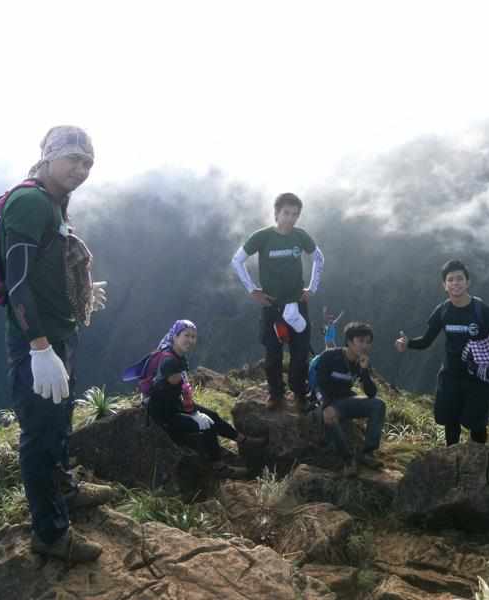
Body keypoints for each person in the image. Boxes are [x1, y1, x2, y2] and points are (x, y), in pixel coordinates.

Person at [1, 126, 113, 564]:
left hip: (59, 335)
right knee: (40, 435)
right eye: (72, 159)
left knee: (60, 422)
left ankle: (64, 488)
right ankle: (49, 532)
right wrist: (39, 348)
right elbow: (18, 282)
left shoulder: (53, 201)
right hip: (37, 344)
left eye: (88, 162)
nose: (81, 169)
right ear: (48, 157)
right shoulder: (29, 202)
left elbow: (49, 265)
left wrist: (80, 291)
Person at [395, 259, 489, 446]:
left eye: (459, 279)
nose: (455, 283)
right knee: (450, 421)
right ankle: (453, 460)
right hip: (450, 376)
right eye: (450, 280)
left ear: (468, 282)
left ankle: (479, 463)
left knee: (477, 425)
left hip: (477, 379)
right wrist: (407, 344)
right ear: (444, 285)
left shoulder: (482, 310)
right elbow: (425, 341)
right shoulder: (442, 311)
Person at [231, 193, 325, 411]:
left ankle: (300, 394)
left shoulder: (300, 236)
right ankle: (276, 394)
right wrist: (252, 291)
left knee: (300, 353)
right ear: (276, 213)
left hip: (297, 304)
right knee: (273, 353)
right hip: (272, 305)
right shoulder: (262, 237)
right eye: (286, 213)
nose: (290, 218)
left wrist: (312, 288)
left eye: (295, 214)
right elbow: (237, 261)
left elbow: (318, 258)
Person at [141, 320, 266, 473]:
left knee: (212, 415)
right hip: (163, 414)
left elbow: (176, 392)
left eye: (193, 337)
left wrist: (192, 411)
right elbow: (172, 393)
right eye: (186, 335)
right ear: (175, 336)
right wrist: (194, 414)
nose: (190, 340)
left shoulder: (175, 355)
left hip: (173, 405)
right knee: (206, 424)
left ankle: (244, 441)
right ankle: (218, 466)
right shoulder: (169, 362)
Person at [316, 321, 386, 476]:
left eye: (368, 342)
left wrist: (364, 371)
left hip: (345, 402)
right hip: (326, 402)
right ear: (349, 341)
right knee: (330, 417)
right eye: (360, 341)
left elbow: (371, 393)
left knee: (378, 405)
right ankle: (348, 460)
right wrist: (325, 405)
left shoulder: (360, 363)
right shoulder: (330, 356)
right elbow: (317, 384)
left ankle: (367, 453)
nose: (365, 346)